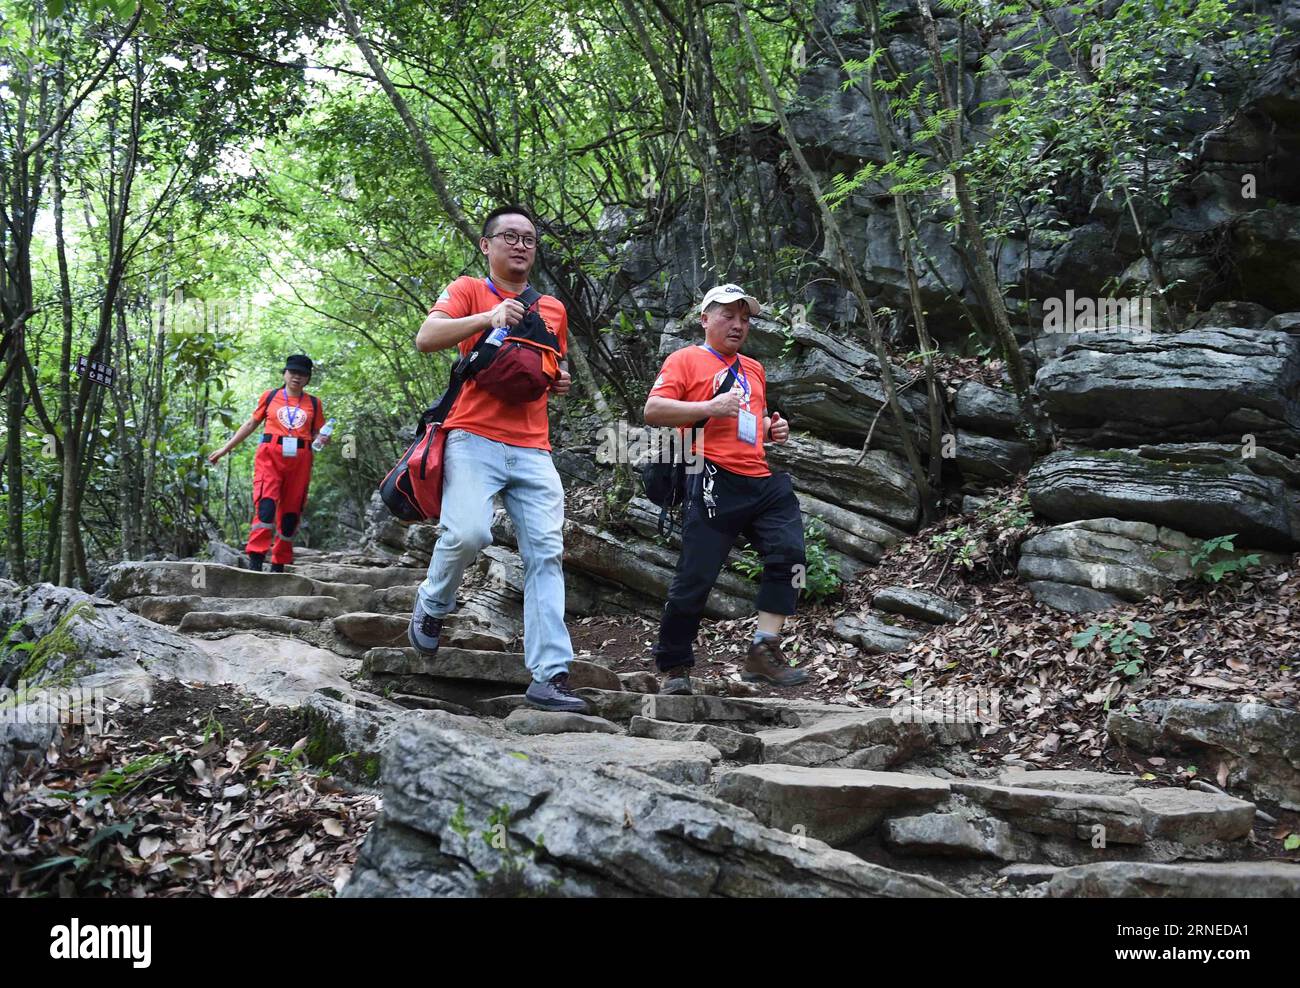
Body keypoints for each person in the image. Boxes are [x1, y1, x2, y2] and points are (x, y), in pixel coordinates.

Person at [409, 204, 586, 713]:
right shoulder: (468, 289)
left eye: (529, 238)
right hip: (473, 436)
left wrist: (561, 381)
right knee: (469, 533)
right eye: (508, 236)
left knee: (547, 555)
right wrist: (488, 315)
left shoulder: (551, 307)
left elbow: (545, 366)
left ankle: (550, 674)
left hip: (534, 446)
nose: (520, 245)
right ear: (486, 246)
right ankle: (434, 602)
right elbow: (426, 339)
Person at [643, 284, 810, 695]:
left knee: (789, 556)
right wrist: (707, 407)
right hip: (711, 474)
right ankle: (675, 667)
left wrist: (774, 431)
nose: (738, 324)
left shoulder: (754, 368)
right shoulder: (684, 359)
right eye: (727, 316)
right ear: (704, 319)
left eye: (745, 318)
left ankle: (763, 649)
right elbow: (653, 410)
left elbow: (748, 425)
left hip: (761, 478)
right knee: (696, 577)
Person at [208, 354, 325, 572]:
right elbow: (252, 423)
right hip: (269, 458)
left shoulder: (314, 404)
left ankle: (279, 562)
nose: (297, 377)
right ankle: (256, 559)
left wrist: (323, 438)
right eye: (293, 372)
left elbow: (320, 433)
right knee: (266, 506)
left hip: (300, 461)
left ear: (308, 378)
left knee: (291, 513)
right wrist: (224, 449)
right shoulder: (270, 397)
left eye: (302, 374)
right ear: (285, 373)